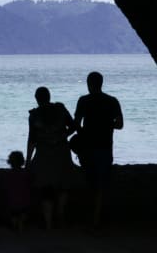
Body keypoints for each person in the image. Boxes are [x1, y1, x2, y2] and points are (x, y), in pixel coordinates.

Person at [73, 71, 124, 228]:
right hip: (105, 148)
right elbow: (120, 124)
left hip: (87, 149)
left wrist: (84, 133)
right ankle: (96, 219)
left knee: (89, 183)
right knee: (100, 186)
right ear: (101, 83)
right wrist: (107, 125)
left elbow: (76, 125)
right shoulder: (112, 101)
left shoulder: (83, 101)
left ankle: (89, 217)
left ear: (89, 84)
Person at [25, 86, 76, 229]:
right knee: (63, 186)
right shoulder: (60, 109)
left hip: (44, 153)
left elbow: (32, 140)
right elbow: (73, 126)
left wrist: (28, 161)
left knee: (46, 188)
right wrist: (62, 136)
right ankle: (60, 215)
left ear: (37, 99)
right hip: (61, 151)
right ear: (49, 97)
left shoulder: (34, 115)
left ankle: (48, 224)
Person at [4, 151, 31, 232]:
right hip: (24, 198)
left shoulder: (8, 174)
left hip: (12, 199)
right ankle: (21, 225)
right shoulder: (25, 173)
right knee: (23, 212)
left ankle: (14, 224)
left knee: (14, 213)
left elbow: (6, 187)